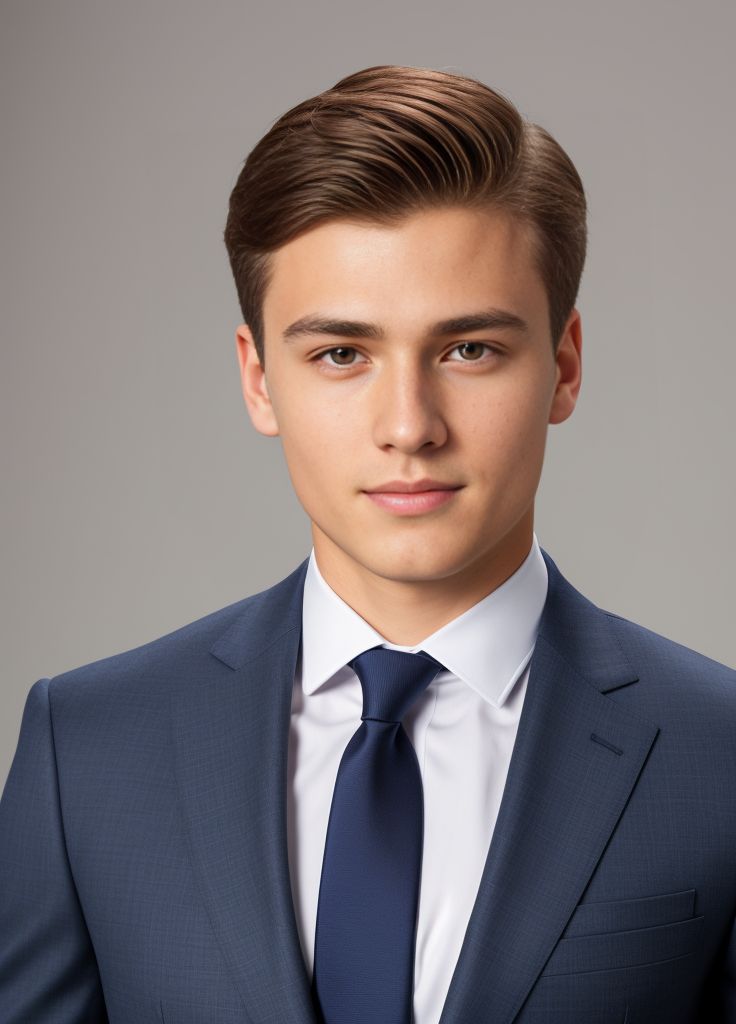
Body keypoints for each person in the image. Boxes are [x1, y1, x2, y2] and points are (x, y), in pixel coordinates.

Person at [0, 64, 734, 1024]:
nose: (409, 426)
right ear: (259, 381)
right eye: (341, 354)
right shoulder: (90, 749)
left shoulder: (719, 755)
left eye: (469, 349)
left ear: (563, 367)